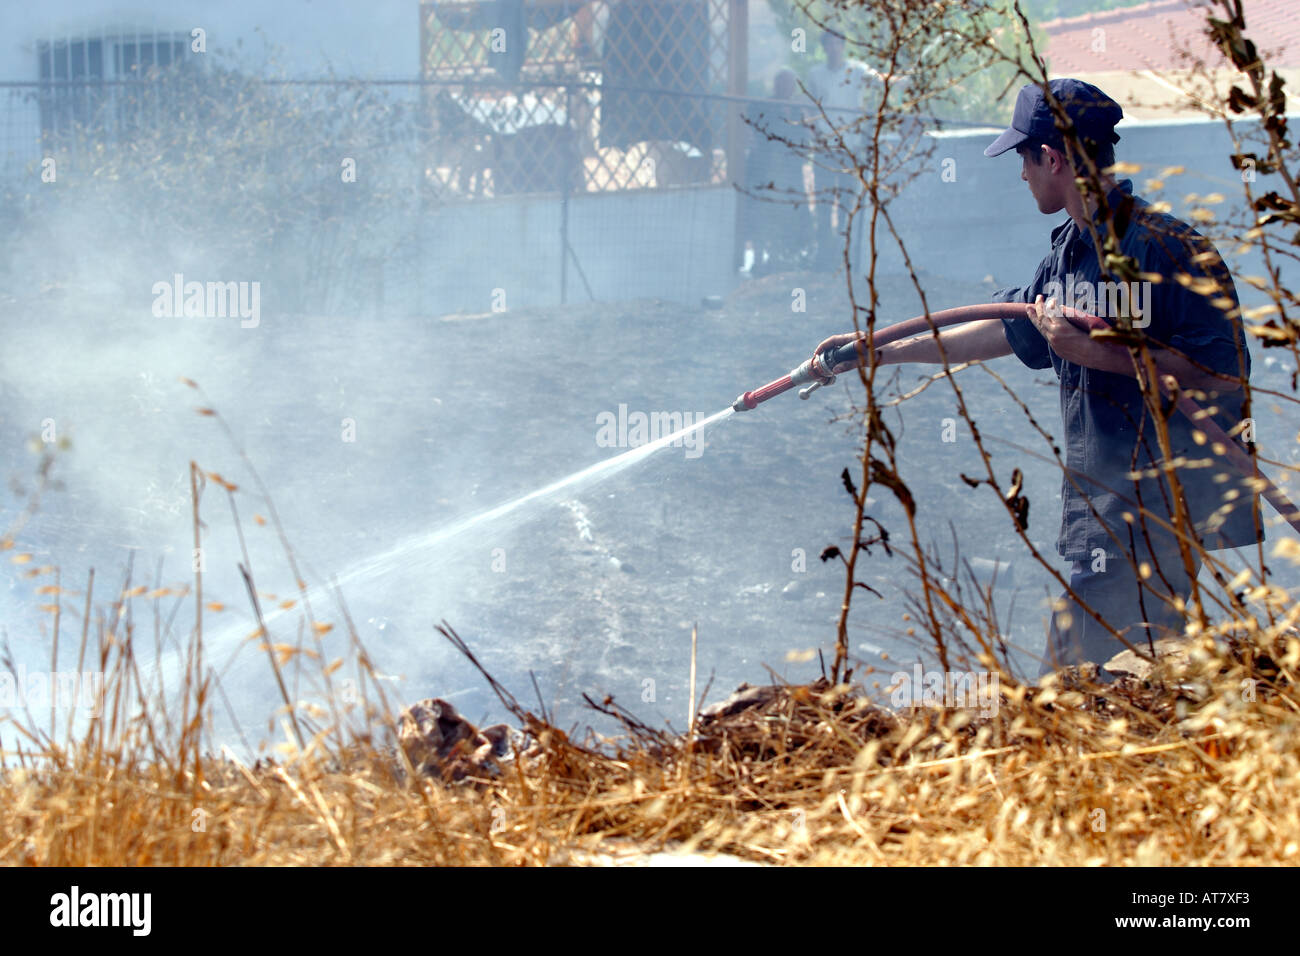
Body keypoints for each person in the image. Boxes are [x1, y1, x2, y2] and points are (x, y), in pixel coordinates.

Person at [811, 79, 1262, 678]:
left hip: (1154, 513)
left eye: (1024, 159)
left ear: (1051, 157)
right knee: (1134, 693)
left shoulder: (1168, 249)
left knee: (1064, 699)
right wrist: (878, 352)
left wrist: (1101, 353)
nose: (1021, 176)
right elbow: (1002, 329)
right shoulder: (1070, 255)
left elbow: (1223, 375)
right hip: (1104, 511)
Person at [804, 29, 881, 272]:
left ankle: (848, 258)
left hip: (850, 149)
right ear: (824, 47)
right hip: (826, 149)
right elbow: (808, 106)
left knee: (848, 205)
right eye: (829, 43)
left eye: (838, 43)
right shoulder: (816, 74)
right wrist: (813, 130)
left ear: (843, 45)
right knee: (825, 204)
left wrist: (903, 79)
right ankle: (824, 257)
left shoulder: (857, 70)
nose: (834, 48)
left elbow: (880, 81)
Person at [741, 68, 812, 276]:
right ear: (775, 85)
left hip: (788, 173)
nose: (786, 89)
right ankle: (759, 256)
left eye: (790, 85)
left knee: (783, 215)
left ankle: (775, 258)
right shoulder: (762, 106)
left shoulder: (797, 112)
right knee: (760, 214)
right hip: (763, 170)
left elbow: (804, 140)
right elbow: (751, 132)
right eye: (782, 83)